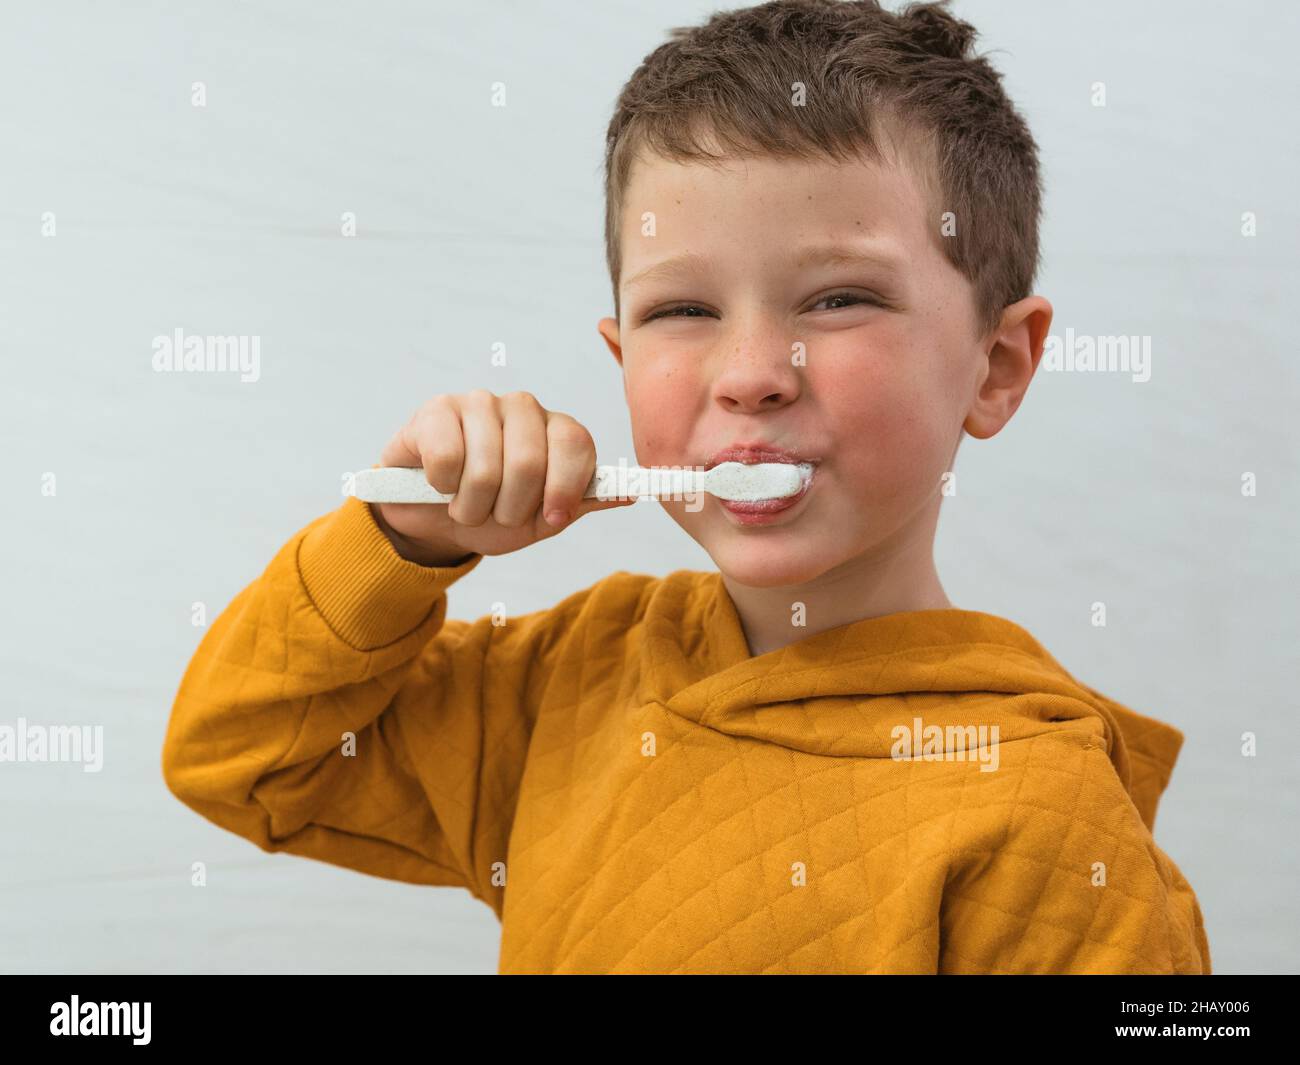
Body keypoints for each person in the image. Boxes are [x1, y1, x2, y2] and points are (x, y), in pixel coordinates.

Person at [162, 0, 1211, 974]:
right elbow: (240, 759)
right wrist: (399, 543)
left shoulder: (1052, 830)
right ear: (618, 354)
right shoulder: (567, 683)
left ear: (996, 365)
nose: (749, 372)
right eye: (681, 312)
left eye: (840, 298)